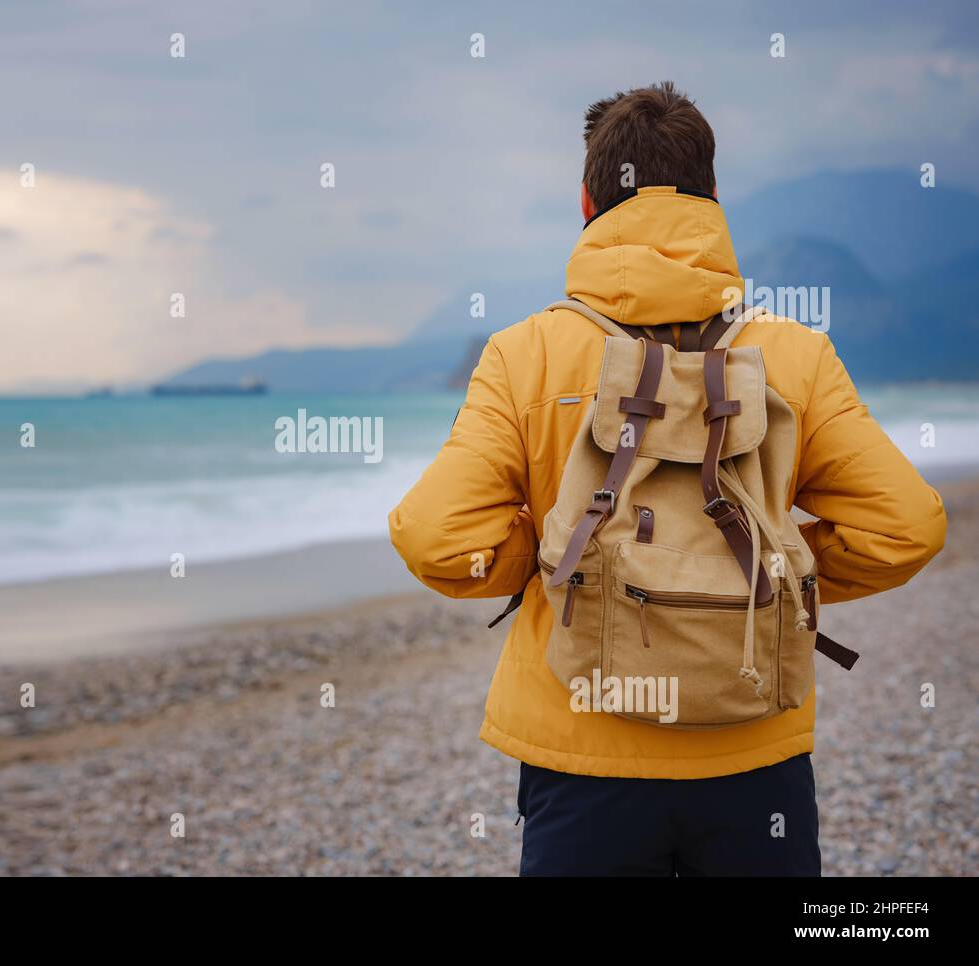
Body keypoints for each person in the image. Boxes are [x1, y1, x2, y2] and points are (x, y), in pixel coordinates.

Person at [387, 82, 947, 876]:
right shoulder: (794, 355)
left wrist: (566, 568)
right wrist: (771, 572)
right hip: (753, 755)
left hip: (582, 755)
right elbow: (908, 528)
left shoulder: (526, 356)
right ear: (713, 199)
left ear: (586, 199)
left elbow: (438, 539)